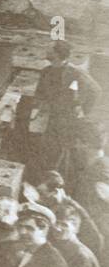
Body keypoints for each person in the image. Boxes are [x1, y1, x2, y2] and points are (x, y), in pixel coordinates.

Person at [34, 41, 101, 174]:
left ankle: (65, 182)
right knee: (50, 149)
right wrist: (41, 106)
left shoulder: (75, 73)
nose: (47, 51)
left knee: (68, 150)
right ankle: (50, 179)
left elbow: (96, 90)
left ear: (58, 54)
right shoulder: (46, 72)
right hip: (53, 116)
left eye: (50, 50)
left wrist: (83, 110)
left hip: (70, 119)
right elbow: (40, 93)